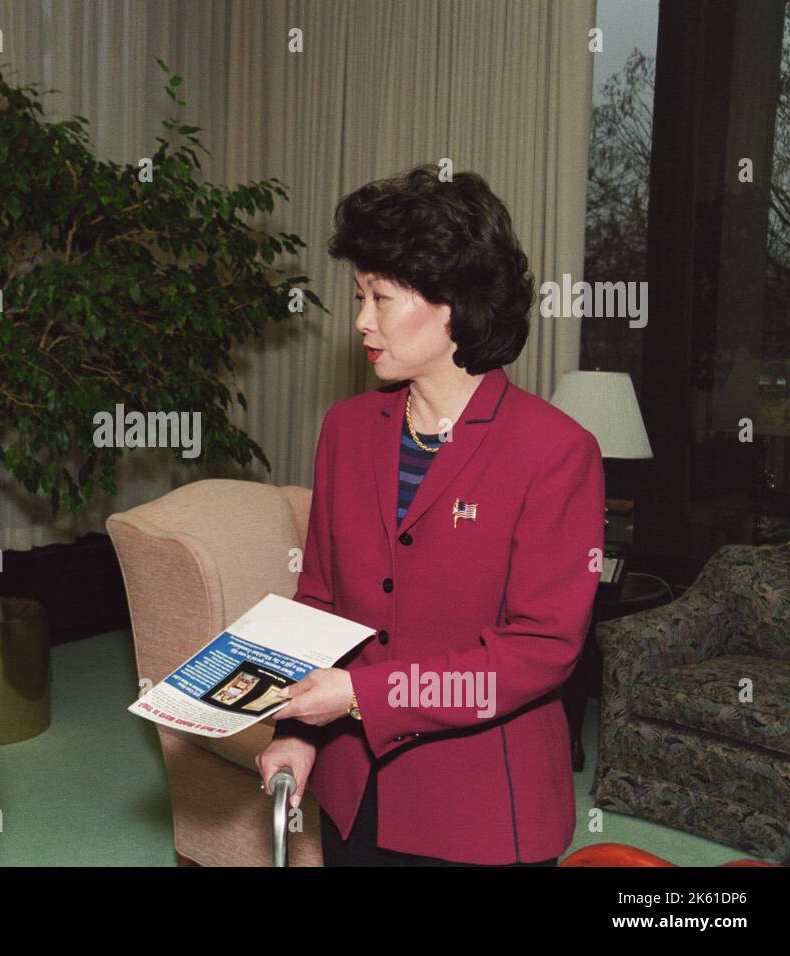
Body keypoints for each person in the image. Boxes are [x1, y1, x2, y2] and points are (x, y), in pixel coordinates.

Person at [255, 165, 604, 866]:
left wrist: (359, 695)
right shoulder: (347, 431)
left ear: (452, 307)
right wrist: (294, 731)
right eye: (360, 296)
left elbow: (538, 651)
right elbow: (319, 600)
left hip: (481, 812)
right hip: (358, 795)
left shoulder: (557, 452)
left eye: (380, 298)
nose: (360, 320)